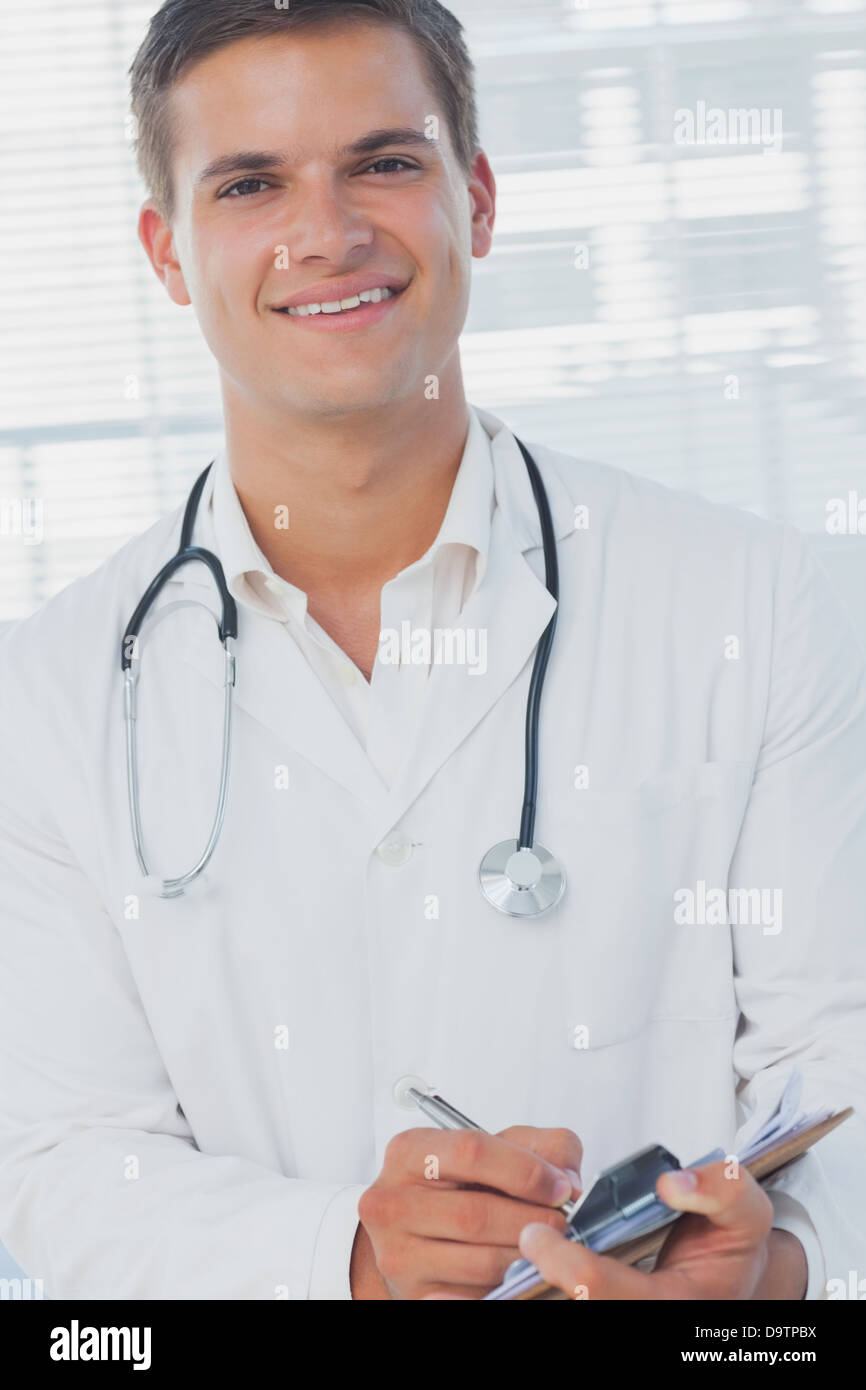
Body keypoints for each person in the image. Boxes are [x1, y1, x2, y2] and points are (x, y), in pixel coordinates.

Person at [0, 0, 863, 1302]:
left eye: (384, 162)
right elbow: (62, 1158)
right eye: (248, 182)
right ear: (166, 251)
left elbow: (842, 1058)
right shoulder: (51, 694)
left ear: (478, 200)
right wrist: (346, 1253)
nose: (328, 231)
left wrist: (778, 1265)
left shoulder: (757, 598)